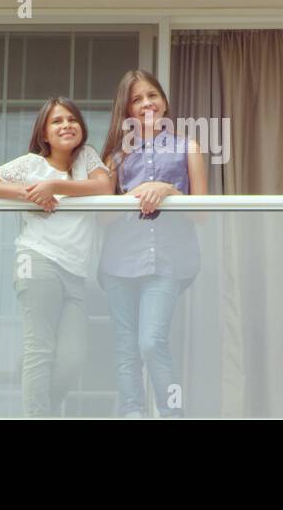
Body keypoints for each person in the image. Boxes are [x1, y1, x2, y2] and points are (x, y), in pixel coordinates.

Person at [0, 97, 111, 417]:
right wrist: (29, 193)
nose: (67, 125)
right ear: (44, 133)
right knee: (40, 350)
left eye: (72, 119)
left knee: (73, 358)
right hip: (37, 259)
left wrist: (54, 186)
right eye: (57, 121)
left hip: (75, 271)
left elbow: (104, 187)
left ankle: (39, 410)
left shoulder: (87, 158)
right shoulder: (31, 165)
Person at [99, 69, 207, 417]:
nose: (147, 103)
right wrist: (130, 197)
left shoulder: (188, 147)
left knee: (151, 342)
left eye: (152, 95)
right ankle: (133, 413)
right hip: (119, 262)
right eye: (137, 99)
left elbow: (202, 213)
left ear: (164, 101)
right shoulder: (116, 158)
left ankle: (172, 413)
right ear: (127, 110)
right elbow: (101, 218)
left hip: (168, 261)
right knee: (126, 349)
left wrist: (169, 190)